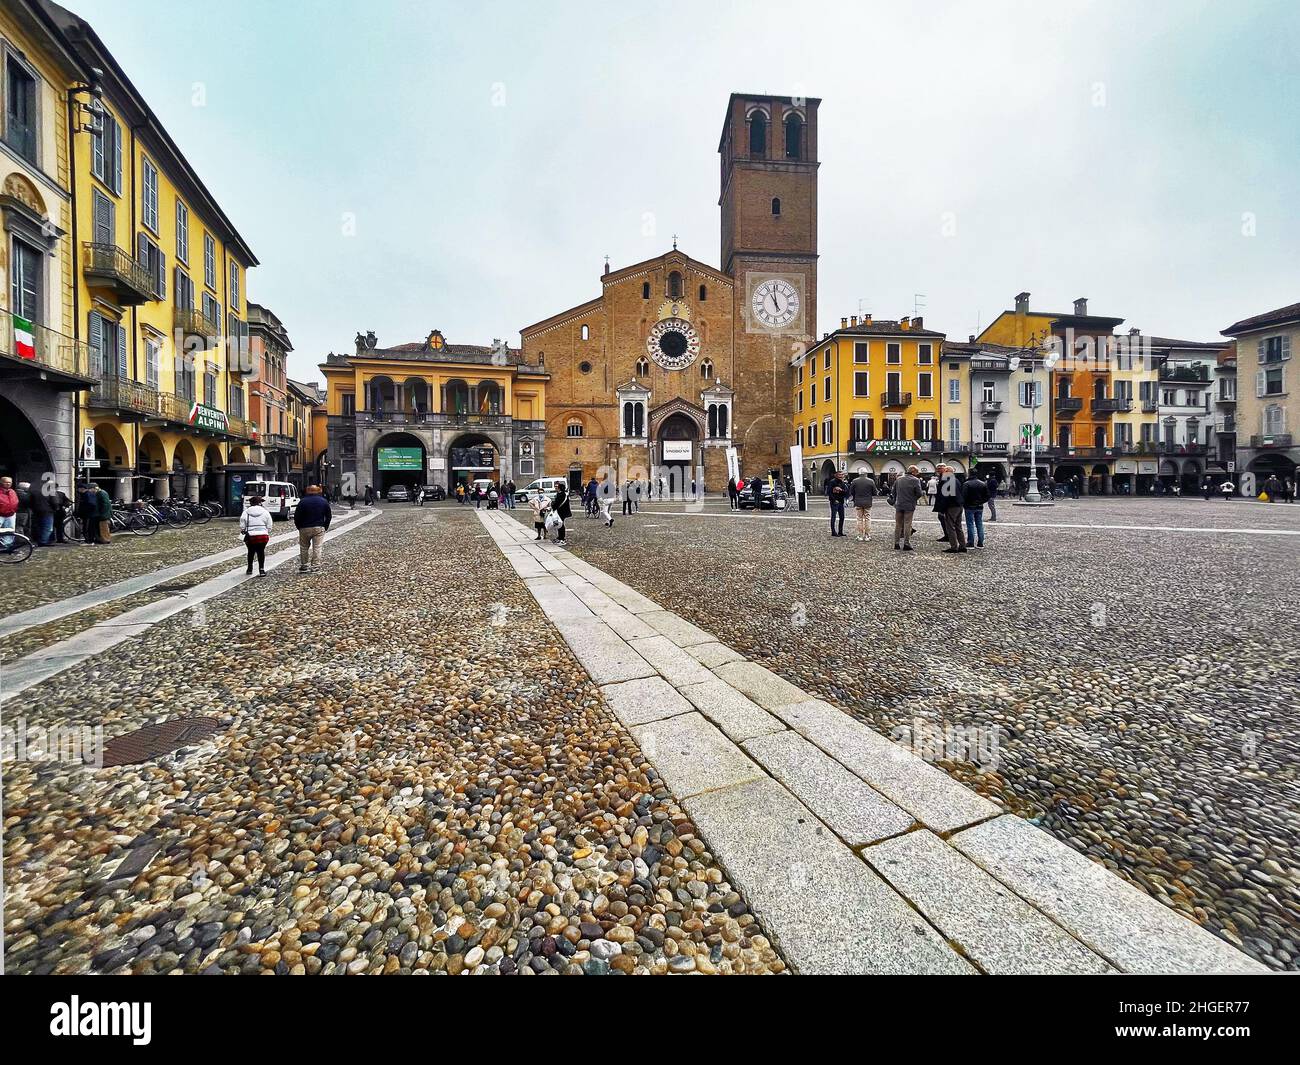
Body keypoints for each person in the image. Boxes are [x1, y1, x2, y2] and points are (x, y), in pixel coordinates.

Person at [294, 484, 332, 573]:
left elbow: (297, 516)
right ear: (318, 492)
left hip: (304, 527)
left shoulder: (302, 502)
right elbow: (328, 516)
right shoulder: (323, 501)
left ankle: (304, 566)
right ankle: (315, 566)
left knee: (304, 547)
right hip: (319, 527)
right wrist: (325, 526)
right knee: (317, 547)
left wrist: (299, 527)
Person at [934, 464, 967, 553]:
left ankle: (954, 547)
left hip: (952, 506)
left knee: (950, 527)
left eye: (944, 470)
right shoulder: (956, 480)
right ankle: (962, 545)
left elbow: (946, 496)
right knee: (958, 526)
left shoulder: (947, 480)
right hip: (959, 505)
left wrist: (942, 508)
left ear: (947, 471)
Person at [240, 494, 274, 576]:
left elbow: (242, 525)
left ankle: (249, 569)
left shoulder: (246, 512)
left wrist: (245, 530)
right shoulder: (265, 512)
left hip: (250, 536)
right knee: (261, 551)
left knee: (250, 551)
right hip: (263, 536)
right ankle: (261, 570)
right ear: (259, 503)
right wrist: (266, 530)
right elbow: (269, 525)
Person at [891, 465, 922, 550]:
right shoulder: (916, 480)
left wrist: (897, 499)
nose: (917, 474)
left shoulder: (899, 479)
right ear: (913, 471)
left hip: (899, 504)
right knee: (907, 524)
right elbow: (919, 493)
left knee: (898, 524)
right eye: (917, 472)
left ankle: (896, 543)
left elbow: (893, 492)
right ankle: (906, 544)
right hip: (909, 505)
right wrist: (913, 499)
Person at [962, 470, 989, 549]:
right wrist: (981, 502)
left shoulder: (966, 484)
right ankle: (980, 542)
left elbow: (963, 496)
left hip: (969, 506)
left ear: (969, 474)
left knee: (970, 524)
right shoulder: (983, 484)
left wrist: (964, 504)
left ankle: (971, 542)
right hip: (979, 507)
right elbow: (987, 496)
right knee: (979, 524)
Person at [848, 470, 876, 542]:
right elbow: (874, 492)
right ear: (866, 473)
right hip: (868, 502)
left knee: (859, 519)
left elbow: (851, 492)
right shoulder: (871, 481)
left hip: (858, 502)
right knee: (867, 518)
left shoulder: (855, 481)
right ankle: (867, 535)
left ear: (859, 474)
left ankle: (860, 535)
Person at [29, 482, 54, 546]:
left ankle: (38, 540)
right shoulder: (50, 492)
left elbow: (30, 502)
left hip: (36, 511)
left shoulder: (34, 492)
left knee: (39, 526)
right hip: (48, 511)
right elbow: (55, 502)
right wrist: (55, 509)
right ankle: (43, 541)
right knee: (47, 527)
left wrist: (33, 508)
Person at [826, 470, 847, 537]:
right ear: (836, 475)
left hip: (841, 501)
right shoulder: (832, 482)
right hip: (834, 502)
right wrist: (834, 500)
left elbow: (846, 492)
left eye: (842, 475)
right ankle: (833, 532)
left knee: (842, 517)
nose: (841, 476)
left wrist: (841, 490)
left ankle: (840, 531)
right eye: (840, 475)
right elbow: (829, 492)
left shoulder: (842, 483)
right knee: (833, 517)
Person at [552, 481, 571, 546]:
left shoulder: (561, 495)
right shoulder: (560, 494)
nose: (555, 488)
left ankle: (562, 539)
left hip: (561, 512)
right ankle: (559, 537)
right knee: (559, 524)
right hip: (560, 512)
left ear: (559, 488)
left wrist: (552, 506)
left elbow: (557, 504)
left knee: (561, 525)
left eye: (557, 487)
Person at [0, 476, 17, 545]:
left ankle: (7, 546)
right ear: (1, 483)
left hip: (11, 515)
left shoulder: (12, 491)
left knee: (10, 531)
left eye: (10, 482)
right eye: (6, 482)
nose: (8, 484)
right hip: (0, 514)